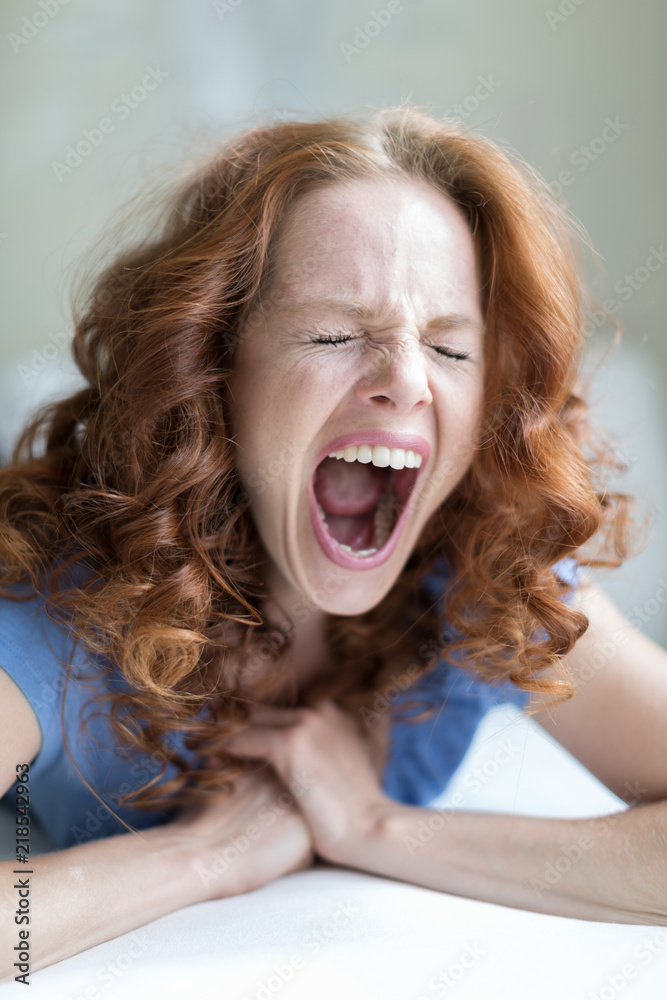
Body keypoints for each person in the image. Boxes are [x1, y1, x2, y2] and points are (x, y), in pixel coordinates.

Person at [1, 106, 666, 980]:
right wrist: (200, 857)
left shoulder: (485, 572)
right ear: (211, 366)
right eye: (333, 335)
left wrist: (375, 826)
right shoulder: (50, 616)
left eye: (449, 348)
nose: (405, 381)